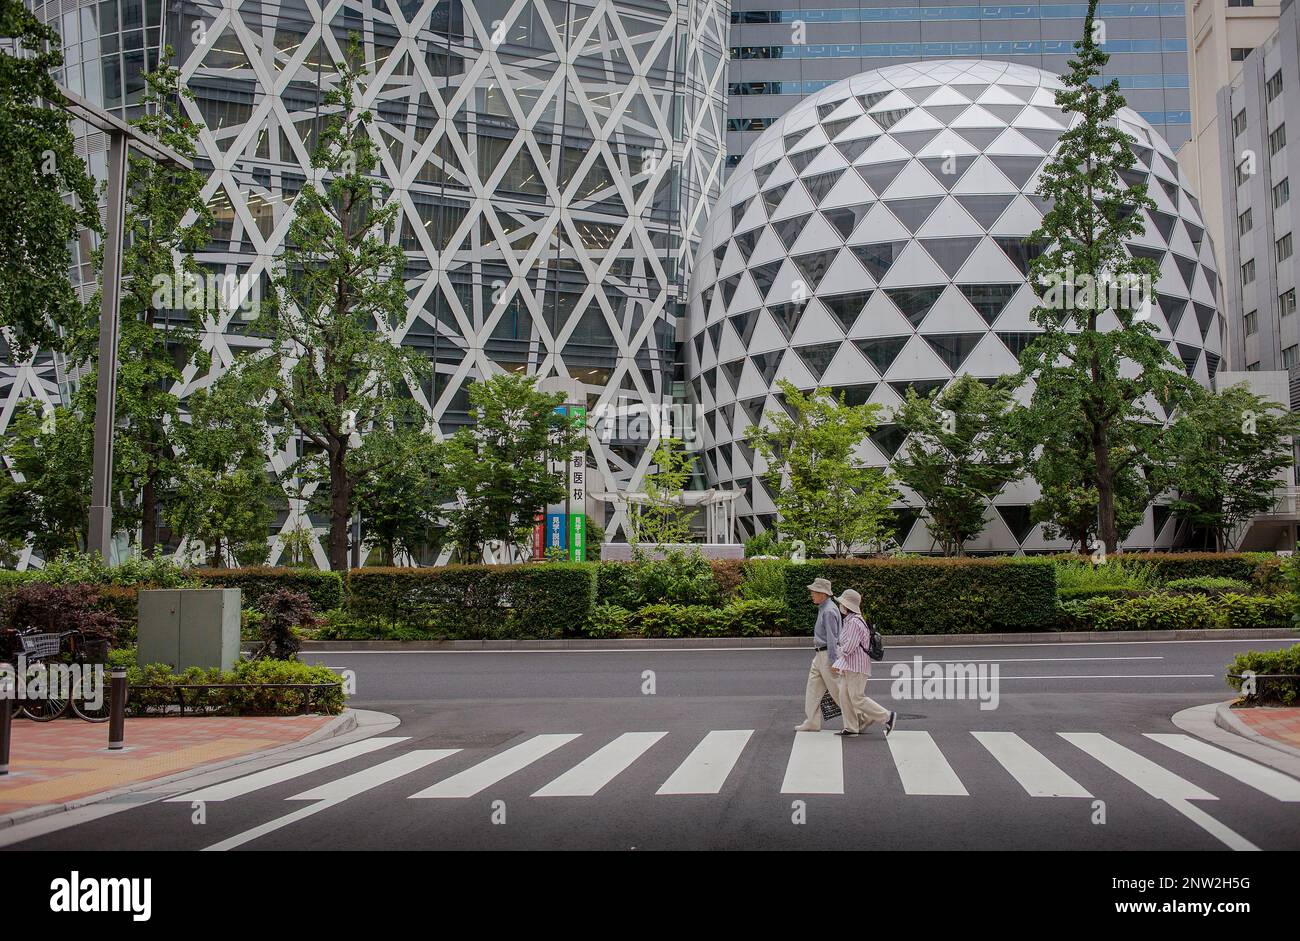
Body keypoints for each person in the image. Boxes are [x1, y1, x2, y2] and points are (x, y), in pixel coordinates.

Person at [830, 588, 896, 737]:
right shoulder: (851, 620)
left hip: (857, 666)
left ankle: (887, 717)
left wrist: (837, 655)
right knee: (844, 696)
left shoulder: (854, 622)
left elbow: (849, 647)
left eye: (841, 603)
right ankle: (851, 727)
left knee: (856, 697)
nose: (840, 605)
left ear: (847, 605)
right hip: (850, 664)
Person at [795, 577, 843, 732]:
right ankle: (812, 721)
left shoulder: (828, 610)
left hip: (827, 654)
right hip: (820, 655)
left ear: (822, 593)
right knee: (813, 687)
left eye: (814, 592)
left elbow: (832, 638)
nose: (811, 594)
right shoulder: (824, 607)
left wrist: (834, 661)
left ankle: (860, 717)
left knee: (837, 691)